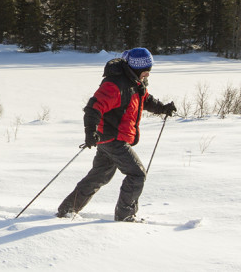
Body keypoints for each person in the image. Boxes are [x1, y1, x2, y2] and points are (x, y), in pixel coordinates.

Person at [57, 47, 176, 222]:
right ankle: (125, 215)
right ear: (135, 68)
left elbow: (145, 99)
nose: (148, 74)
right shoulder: (115, 85)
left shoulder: (135, 82)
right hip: (113, 138)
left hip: (111, 138)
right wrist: (90, 131)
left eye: (149, 70)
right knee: (137, 174)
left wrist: (163, 108)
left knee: (99, 176)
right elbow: (93, 107)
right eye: (145, 71)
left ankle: (67, 209)